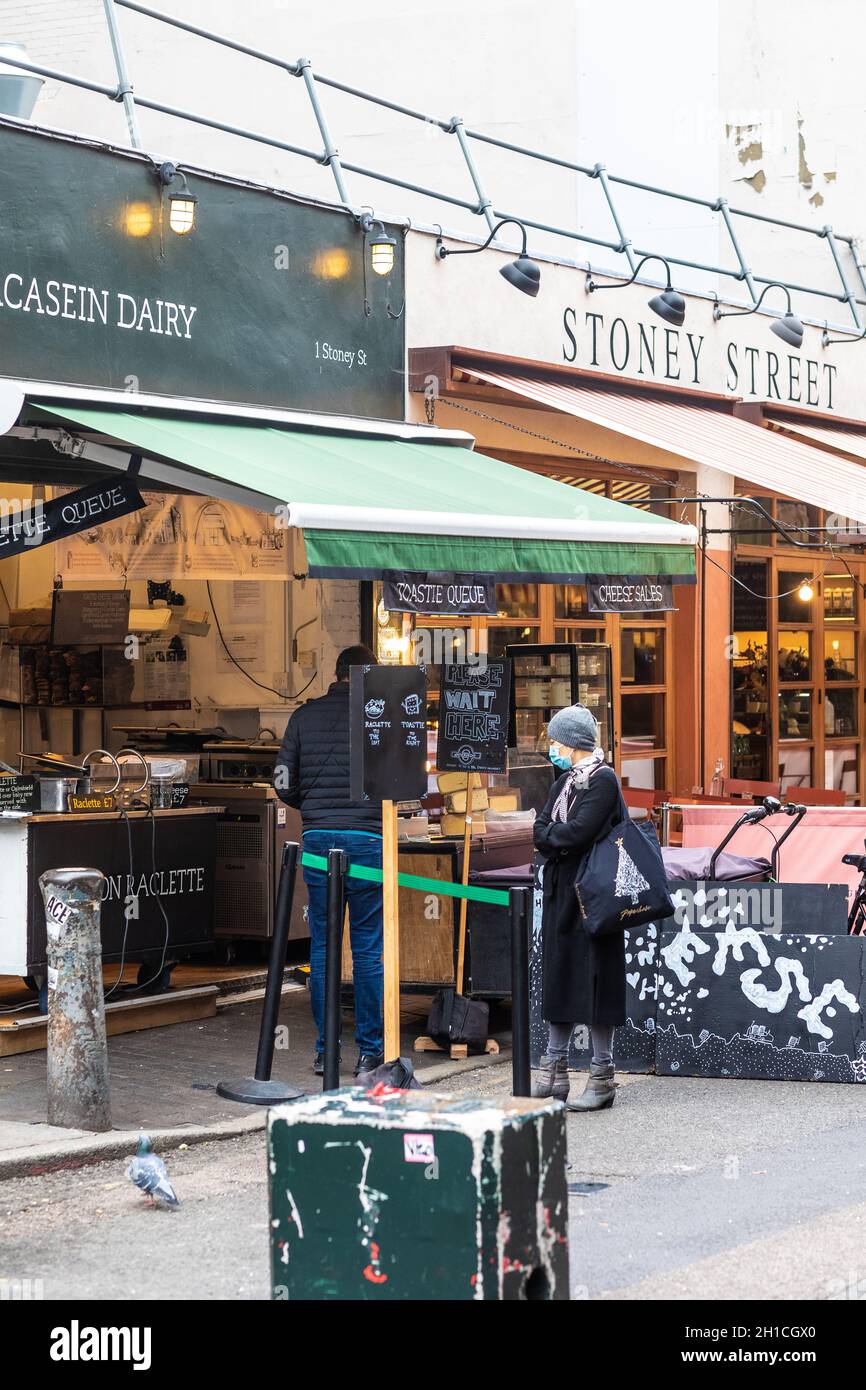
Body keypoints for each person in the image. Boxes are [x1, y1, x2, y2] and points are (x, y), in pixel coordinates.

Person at [274, 644, 384, 1077]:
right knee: (369, 948)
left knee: (323, 947)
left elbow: (282, 782)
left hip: (318, 840)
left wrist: (314, 806)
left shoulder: (304, 717)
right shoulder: (378, 720)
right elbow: (401, 781)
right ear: (367, 676)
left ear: (335, 675)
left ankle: (326, 1052)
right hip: (369, 839)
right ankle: (370, 1052)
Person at [531, 703, 626, 1112]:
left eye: (555, 740)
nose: (551, 747)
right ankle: (554, 1070)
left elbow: (578, 832)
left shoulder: (602, 781)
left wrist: (552, 835)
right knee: (561, 976)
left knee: (595, 981)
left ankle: (602, 1075)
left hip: (594, 899)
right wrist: (554, 835)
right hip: (562, 894)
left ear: (572, 743)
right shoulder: (566, 780)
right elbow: (542, 830)